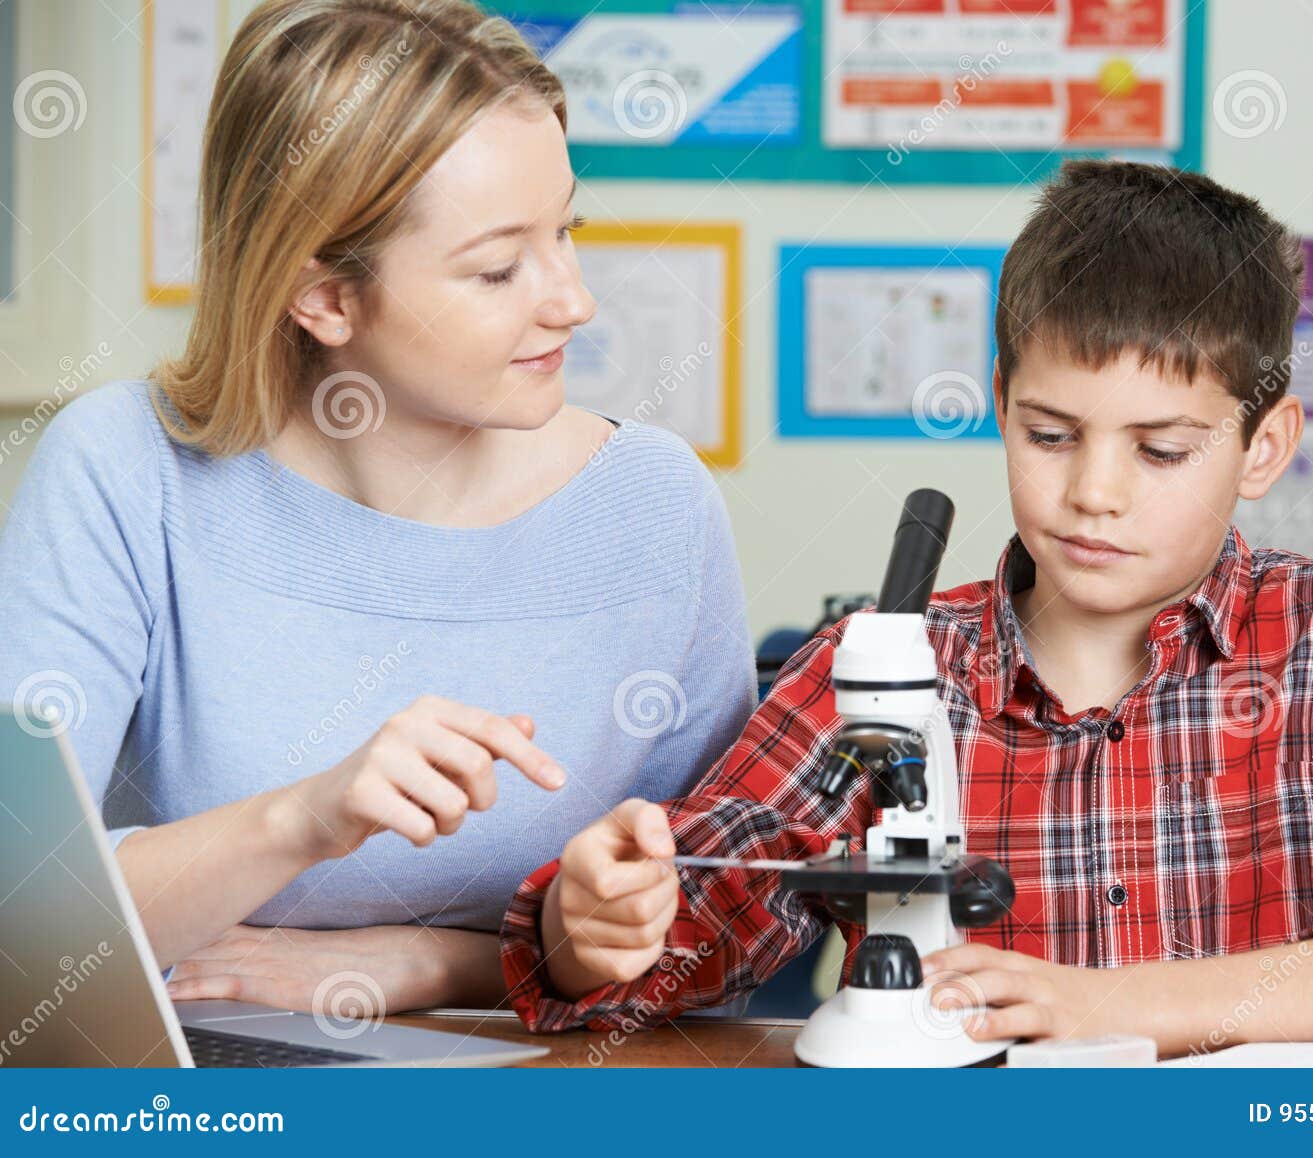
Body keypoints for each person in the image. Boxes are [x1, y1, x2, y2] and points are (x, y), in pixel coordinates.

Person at [502, 160, 1313, 1050]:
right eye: (1050, 435)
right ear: (999, 401)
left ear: (1260, 446)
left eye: (1160, 450)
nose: (1094, 491)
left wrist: (1124, 1008)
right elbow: (706, 919)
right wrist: (595, 924)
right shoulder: (885, 664)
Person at [0, 0, 753, 1014]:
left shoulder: (654, 507)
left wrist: (420, 963)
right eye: (496, 267)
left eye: (565, 230)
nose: (572, 300)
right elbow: (21, 917)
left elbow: (717, 930)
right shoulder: (125, 469)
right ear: (326, 300)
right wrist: (304, 819)